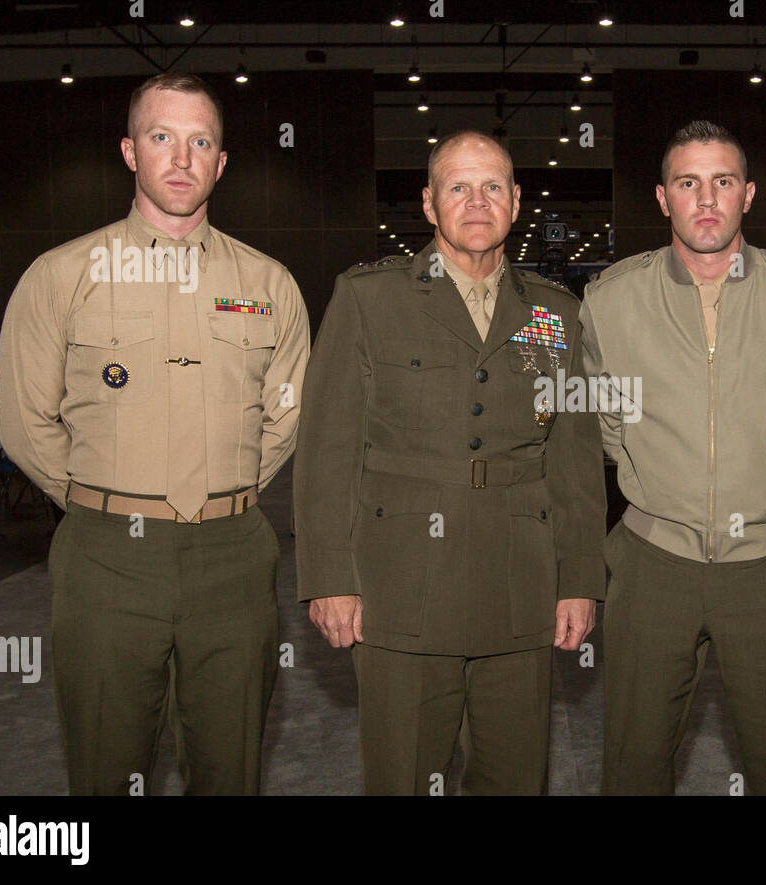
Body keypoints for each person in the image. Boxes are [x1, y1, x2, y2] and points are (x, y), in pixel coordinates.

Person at [0, 72, 309, 794]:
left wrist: (222, 494)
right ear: (130, 150)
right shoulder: (62, 275)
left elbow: (285, 414)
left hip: (232, 557)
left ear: (221, 162)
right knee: (106, 769)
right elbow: (22, 417)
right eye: (162, 137)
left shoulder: (269, 285)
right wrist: (101, 497)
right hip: (106, 558)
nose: (181, 157)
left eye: (201, 141)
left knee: (231, 772)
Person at [293, 131, 606, 795]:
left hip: (520, 585)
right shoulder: (367, 299)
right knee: (403, 775)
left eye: (493, 186)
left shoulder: (555, 315)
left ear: (517, 202)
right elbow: (327, 448)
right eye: (457, 187)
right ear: (429, 204)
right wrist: (328, 576)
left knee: (516, 777)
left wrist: (579, 576)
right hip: (399, 586)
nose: (476, 201)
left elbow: (573, 457)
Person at [581, 121, 766, 795]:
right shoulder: (612, 300)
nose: (705, 199)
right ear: (662, 197)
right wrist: (656, 487)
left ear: (748, 194)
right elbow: (602, 421)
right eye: (688, 183)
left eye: (723, 181)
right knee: (631, 766)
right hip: (652, 566)